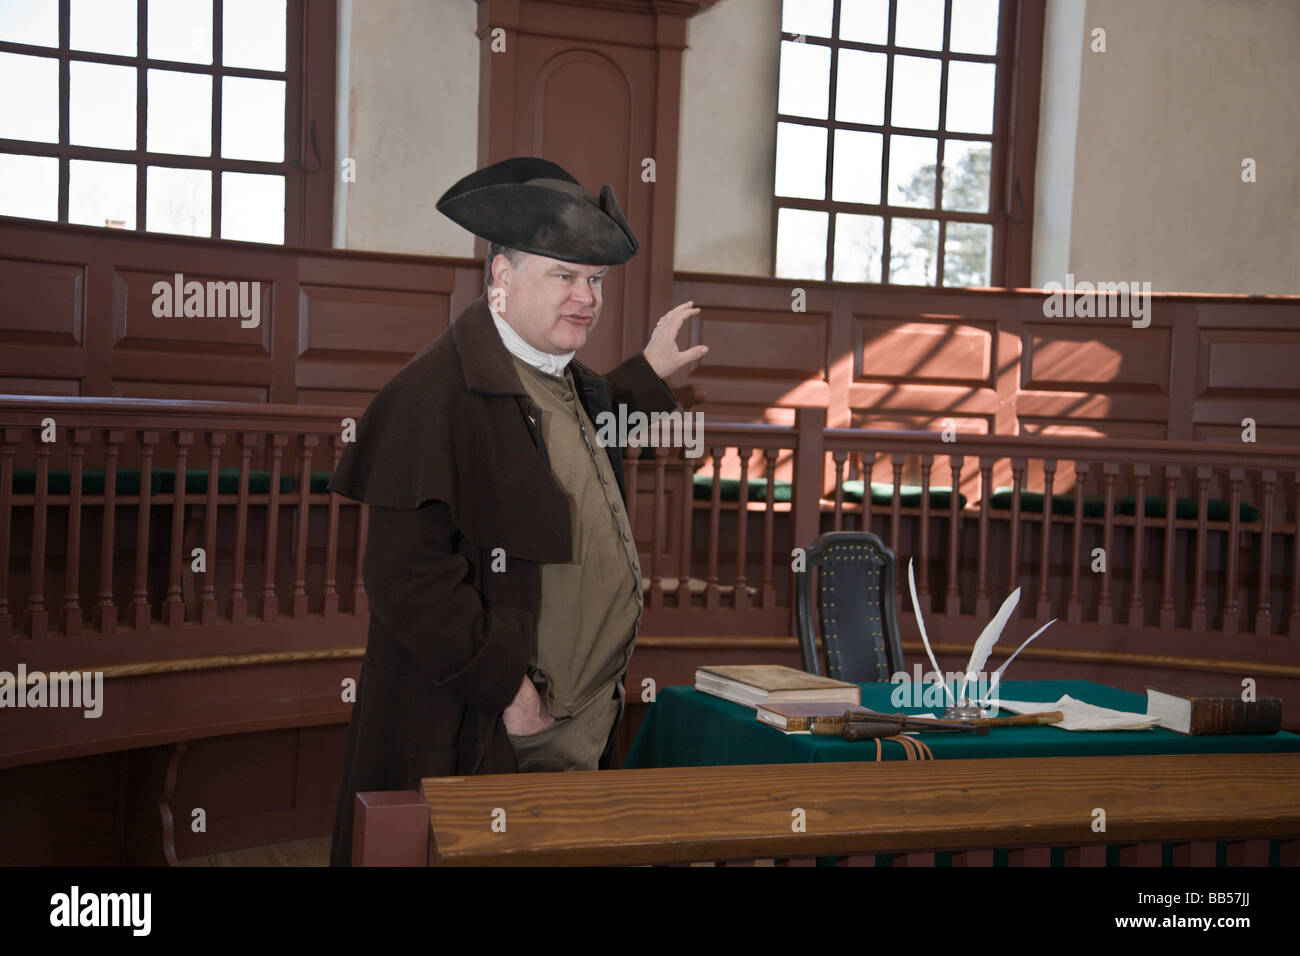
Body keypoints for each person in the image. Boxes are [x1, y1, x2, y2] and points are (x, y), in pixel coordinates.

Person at [326, 156, 707, 866]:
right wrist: (510, 692)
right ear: (500, 277)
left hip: (577, 722)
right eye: (563, 275)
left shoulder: (559, 376)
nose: (586, 297)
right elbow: (405, 578)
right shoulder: (434, 391)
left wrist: (649, 373)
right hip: (498, 725)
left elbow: (570, 435)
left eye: (594, 280)